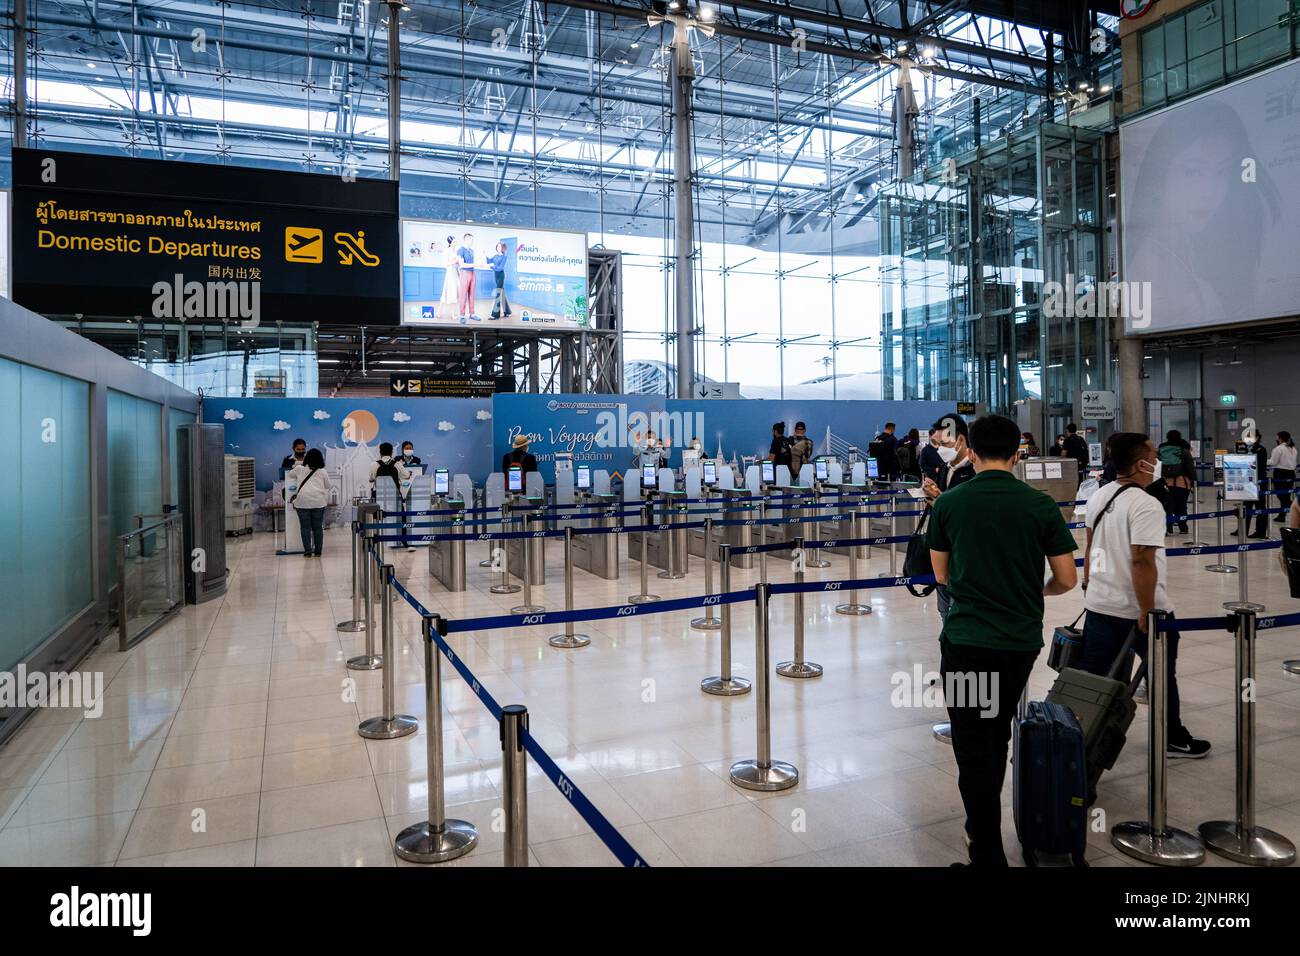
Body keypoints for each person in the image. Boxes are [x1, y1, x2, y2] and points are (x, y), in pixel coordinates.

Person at [926, 414, 1079, 867]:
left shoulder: (951, 503)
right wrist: (1035, 589)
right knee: (996, 737)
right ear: (1018, 453)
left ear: (970, 450)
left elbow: (940, 574)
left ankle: (986, 852)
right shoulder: (1040, 505)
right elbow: (1067, 580)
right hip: (1018, 642)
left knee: (972, 747)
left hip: (967, 640)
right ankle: (992, 842)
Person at [1079, 432, 1211, 760]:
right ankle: (1172, 736)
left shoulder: (1101, 494)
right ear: (1141, 463)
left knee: (1094, 679)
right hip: (1141, 610)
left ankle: (1080, 741)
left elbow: (1091, 544)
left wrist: (1090, 584)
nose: (1159, 461)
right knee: (1161, 674)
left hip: (1100, 605)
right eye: (1154, 456)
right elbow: (1141, 559)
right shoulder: (1146, 504)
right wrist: (1148, 610)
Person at [922, 415, 976, 620]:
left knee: (960, 613)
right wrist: (933, 492)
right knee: (944, 611)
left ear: (961, 440)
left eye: (944, 443)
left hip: (963, 553)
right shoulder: (945, 468)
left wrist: (941, 502)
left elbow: (968, 510)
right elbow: (946, 501)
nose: (939, 449)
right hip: (942, 549)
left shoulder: (975, 470)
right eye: (936, 444)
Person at [288, 448, 332, 558]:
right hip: (318, 502)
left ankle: (307, 551)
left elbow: (290, 475)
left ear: (307, 458)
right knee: (317, 527)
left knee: (305, 527)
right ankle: (318, 551)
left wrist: (298, 464)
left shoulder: (299, 469)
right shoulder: (322, 471)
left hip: (302, 502)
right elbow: (328, 486)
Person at [1157, 429, 1196, 534]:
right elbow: (1190, 468)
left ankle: (1167, 527)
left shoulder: (1161, 449)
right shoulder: (1184, 450)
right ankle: (1183, 527)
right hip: (1182, 483)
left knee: (1167, 506)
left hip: (1165, 483)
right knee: (1182, 506)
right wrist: (1194, 480)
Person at [1233, 435, 1270, 539]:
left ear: (1257, 438)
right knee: (1246, 506)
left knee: (1260, 507)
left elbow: (1260, 465)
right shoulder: (1246, 448)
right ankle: (1242, 529)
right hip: (1248, 481)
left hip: (1258, 482)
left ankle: (1261, 531)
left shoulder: (1260, 449)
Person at [1268, 431, 1297, 520]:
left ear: (1280, 438)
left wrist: (1263, 460)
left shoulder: (1278, 449)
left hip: (1281, 474)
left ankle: (1296, 509)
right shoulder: (1293, 449)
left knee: (1282, 496)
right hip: (1291, 473)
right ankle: (1282, 515)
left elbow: (1273, 462)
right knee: (1286, 495)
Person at [487, 241, 513, 320]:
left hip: (501, 275)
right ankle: (507, 312)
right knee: (501, 294)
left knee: (498, 293)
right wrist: (485, 254)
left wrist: (491, 267)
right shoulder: (495, 256)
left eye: (500, 246)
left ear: (503, 248)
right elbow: (488, 261)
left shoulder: (504, 257)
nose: (498, 248)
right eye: (497, 246)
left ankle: (495, 315)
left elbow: (500, 268)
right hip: (496, 275)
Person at [456, 233, 477, 320]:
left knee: (472, 295)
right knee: (463, 295)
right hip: (464, 273)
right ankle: (462, 315)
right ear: (466, 239)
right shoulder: (460, 250)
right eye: (471, 239)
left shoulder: (472, 251)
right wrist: (474, 264)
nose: (472, 241)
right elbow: (461, 264)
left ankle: (472, 314)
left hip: (472, 273)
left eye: (472, 239)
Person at [438, 235, 459, 320]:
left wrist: (458, 263)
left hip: (455, 272)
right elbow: (446, 263)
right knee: (446, 293)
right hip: (450, 273)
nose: (456, 243)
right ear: (450, 242)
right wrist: (455, 261)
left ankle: (453, 314)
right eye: (454, 241)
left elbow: (456, 263)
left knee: (454, 293)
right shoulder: (447, 251)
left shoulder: (456, 251)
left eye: (456, 241)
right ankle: (439, 312)